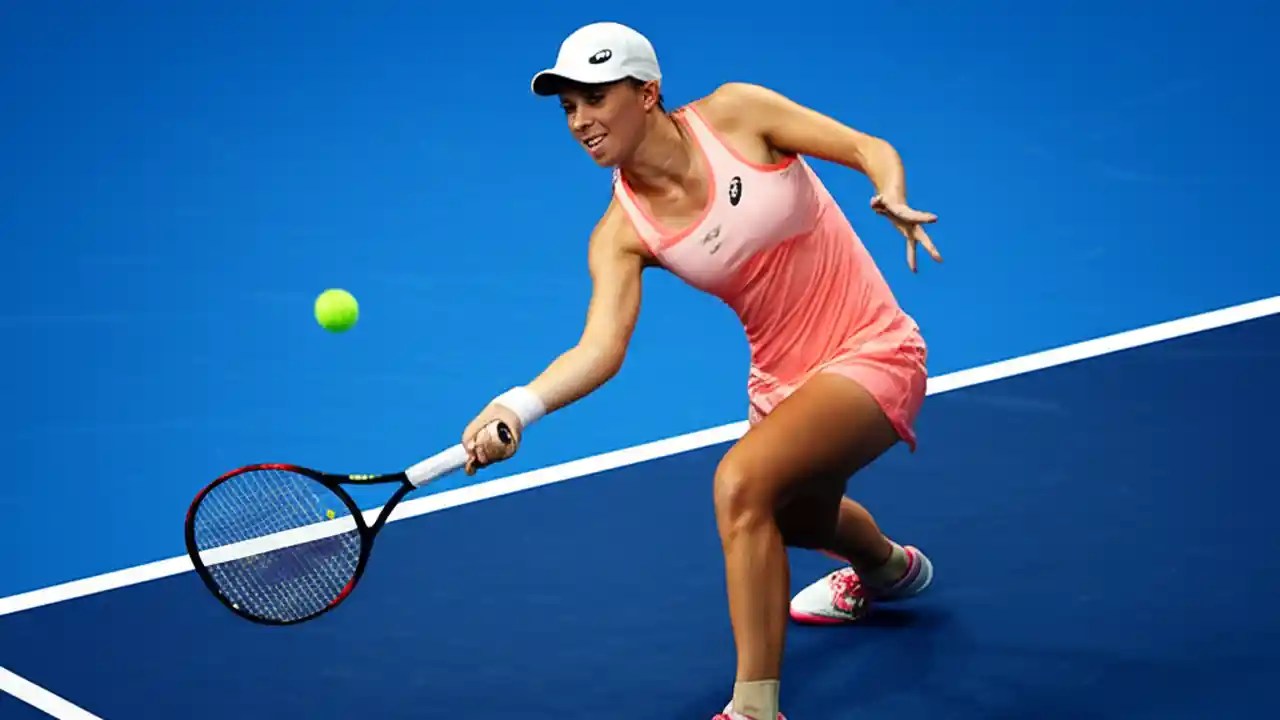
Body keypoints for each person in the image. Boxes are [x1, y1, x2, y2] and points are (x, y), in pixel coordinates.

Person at [459, 21, 941, 720]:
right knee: (796, 518)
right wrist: (516, 407)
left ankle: (754, 709)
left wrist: (889, 190)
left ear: (647, 92)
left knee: (740, 483)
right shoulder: (621, 232)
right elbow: (600, 349)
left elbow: (867, 147)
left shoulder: (737, 115)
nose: (580, 121)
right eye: (568, 107)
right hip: (781, 384)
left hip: (872, 347)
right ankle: (887, 568)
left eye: (595, 98)